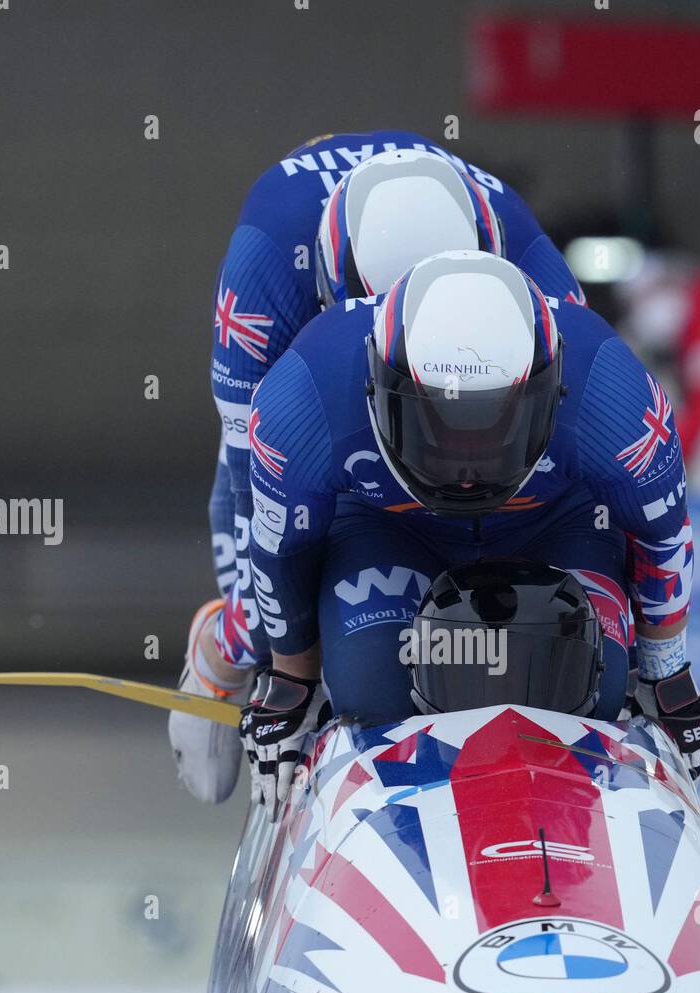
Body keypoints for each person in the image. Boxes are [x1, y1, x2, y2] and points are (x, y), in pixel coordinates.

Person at [170, 130, 586, 802]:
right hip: (324, 401)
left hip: (446, 398)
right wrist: (279, 664)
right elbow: (257, 486)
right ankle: (220, 647)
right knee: (286, 591)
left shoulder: (524, 256)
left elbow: (577, 433)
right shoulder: (268, 265)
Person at [218, 250, 700, 819]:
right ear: (377, 383)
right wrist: (292, 681)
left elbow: (660, 535)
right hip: (388, 525)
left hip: (553, 522)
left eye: (497, 422)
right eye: (440, 424)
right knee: (374, 695)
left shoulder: (616, 400)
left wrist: (664, 672)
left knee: (589, 688)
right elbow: (283, 550)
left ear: (553, 390)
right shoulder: (302, 399)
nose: (468, 464)